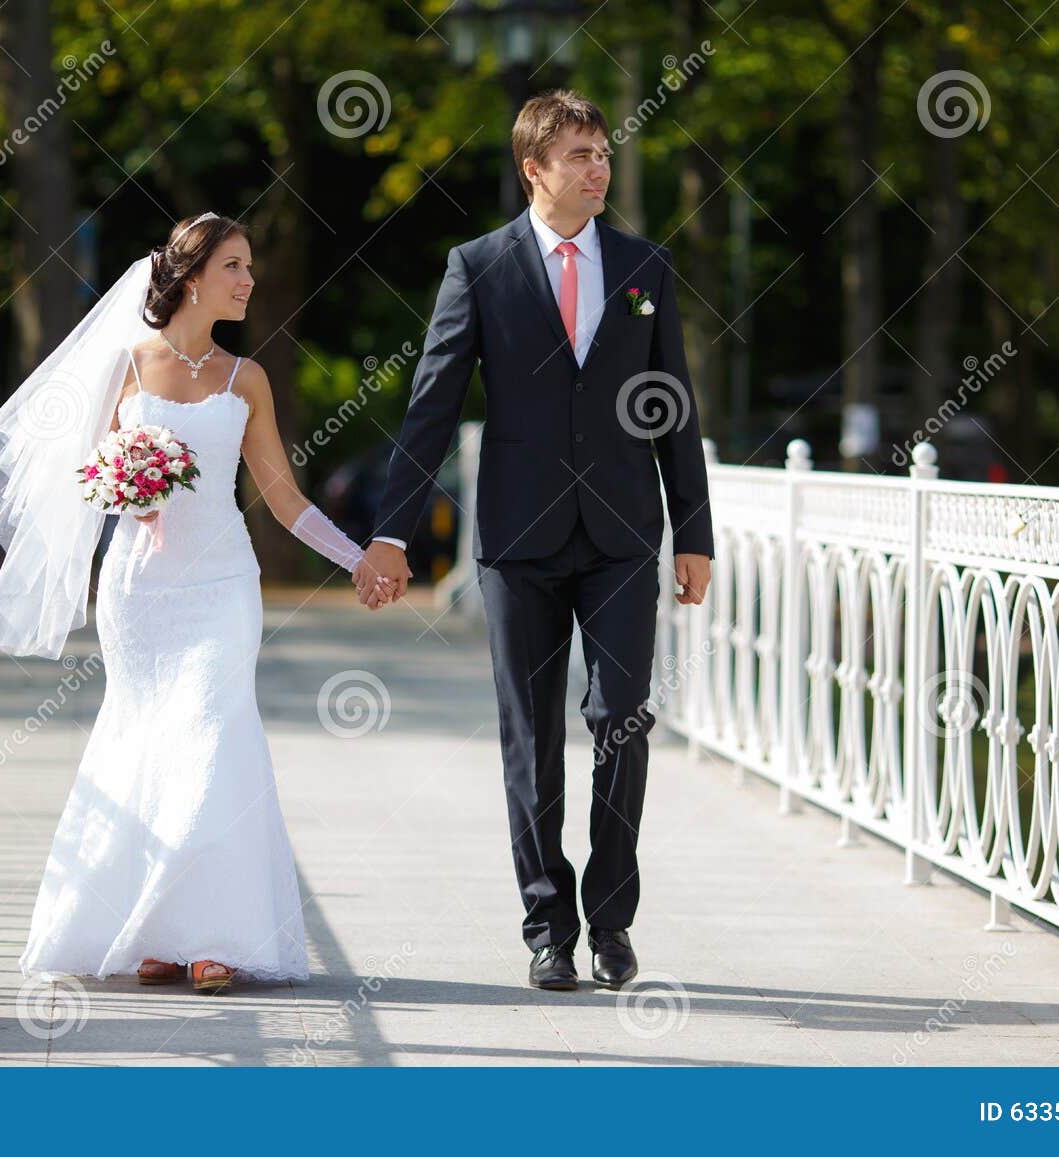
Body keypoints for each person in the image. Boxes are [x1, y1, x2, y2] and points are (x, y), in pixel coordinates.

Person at [0, 212, 393, 993]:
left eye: (250, 267)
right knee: (145, 743)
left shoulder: (248, 379)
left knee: (212, 735)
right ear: (193, 275)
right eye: (234, 266)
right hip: (137, 590)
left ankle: (214, 938)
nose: (248, 281)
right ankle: (158, 933)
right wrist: (119, 489)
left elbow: (284, 500)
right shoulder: (126, 367)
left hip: (223, 585)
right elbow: (77, 476)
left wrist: (358, 558)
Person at [357, 90, 714, 991]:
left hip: (626, 535)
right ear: (534, 170)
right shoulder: (477, 266)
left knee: (622, 720)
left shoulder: (645, 266)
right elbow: (432, 403)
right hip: (519, 537)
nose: (599, 167)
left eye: (602, 153)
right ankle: (547, 924)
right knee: (531, 735)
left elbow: (673, 406)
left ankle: (613, 919)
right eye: (581, 155)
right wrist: (393, 532)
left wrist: (693, 532)